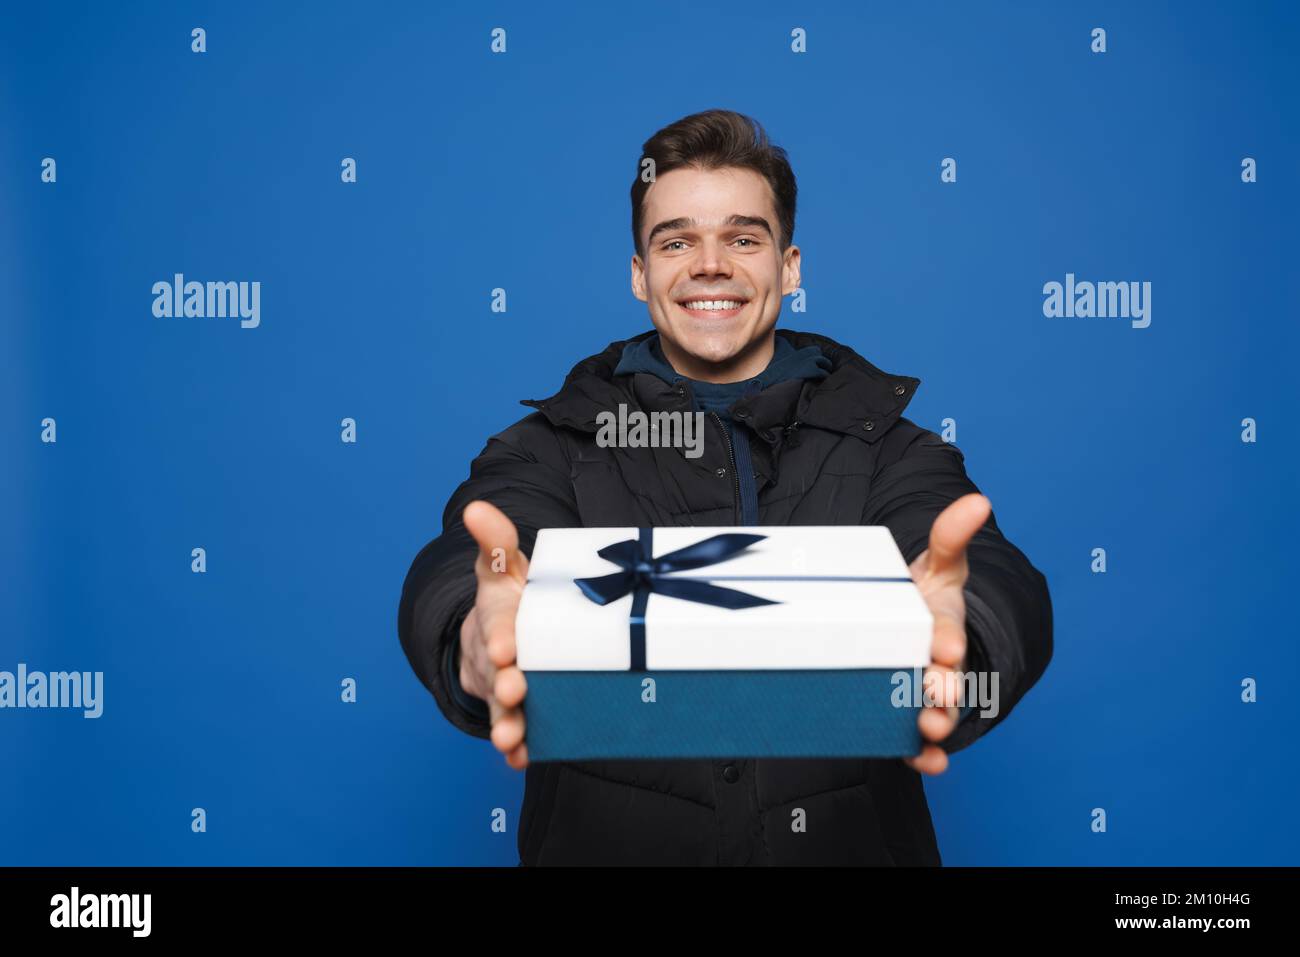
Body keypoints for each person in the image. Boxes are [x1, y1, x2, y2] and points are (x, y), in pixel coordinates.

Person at [398, 109, 1053, 865]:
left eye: (744, 238)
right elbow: (464, 561)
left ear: (791, 265)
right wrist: (472, 640)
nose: (711, 265)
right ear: (640, 272)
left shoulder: (888, 447)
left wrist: (966, 638)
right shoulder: (553, 446)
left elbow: (992, 573)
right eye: (677, 240)